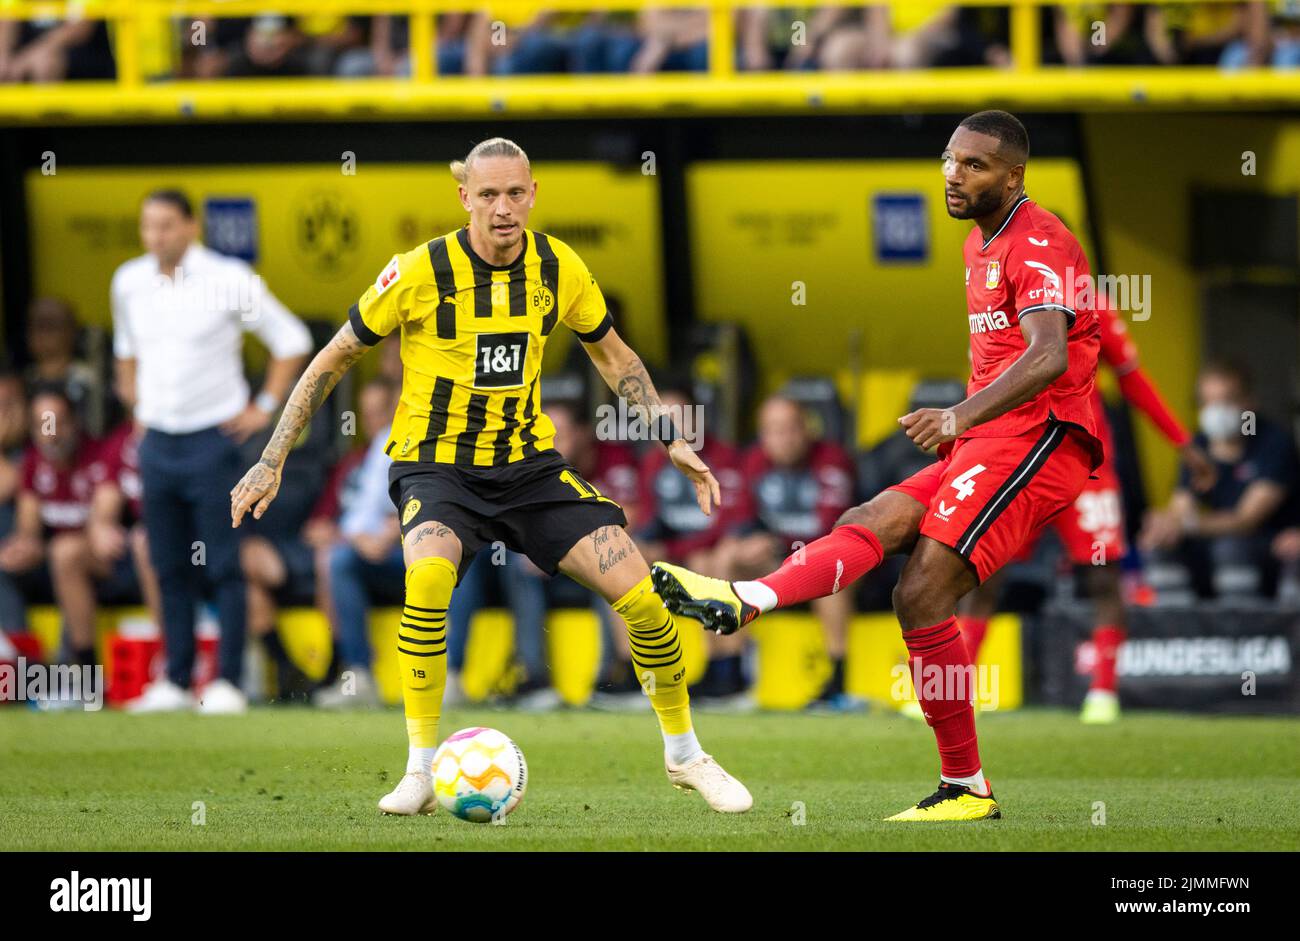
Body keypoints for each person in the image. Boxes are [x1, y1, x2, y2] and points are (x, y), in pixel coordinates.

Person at [231, 137, 751, 816]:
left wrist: (670, 437)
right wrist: (271, 456)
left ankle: (685, 755)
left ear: (532, 193)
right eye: (488, 195)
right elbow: (333, 358)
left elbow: (613, 354)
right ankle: (420, 768)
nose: (503, 209)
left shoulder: (559, 267)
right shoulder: (419, 271)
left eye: (515, 194)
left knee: (643, 596)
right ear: (464, 198)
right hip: (437, 466)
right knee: (427, 577)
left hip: (527, 468)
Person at [655, 110, 1104, 821]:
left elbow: (1048, 354)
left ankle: (965, 787)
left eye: (976, 165)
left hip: (1039, 440)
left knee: (922, 592)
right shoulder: (975, 245)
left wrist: (958, 413)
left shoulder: (1039, 238)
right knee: (869, 518)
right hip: (990, 440)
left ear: (1014, 175)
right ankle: (748, 599)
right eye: (950, 160)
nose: (955, 174)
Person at [953, 301, 1215, 724]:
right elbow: (982, 383)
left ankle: (1103, 692)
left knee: (1102, 576)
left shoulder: (1093, 306)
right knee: (984, 570)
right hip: (1018, 461)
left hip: (1085, 462)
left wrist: (1182, 443)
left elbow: (1133, 382)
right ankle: (957, 690)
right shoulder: (996, 299)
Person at [112, 189, 312, 715]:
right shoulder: (128, 281)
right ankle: (176, 680)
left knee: (223, 564)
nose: (156, 237)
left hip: (212, 441)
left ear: (191, 226)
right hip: (156, 441)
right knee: (166, 563)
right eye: (148, 226)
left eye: (166, 226)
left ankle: (226, 681)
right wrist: (138, 406)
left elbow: (290, 339)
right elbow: (126, 352)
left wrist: (263, 406)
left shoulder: (228, 279)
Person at [716, 395, 858, 709]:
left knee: (830, 566)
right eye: (775, 430)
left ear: (807, 430)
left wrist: (775, 542)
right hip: (782, 558)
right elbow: (739, 517)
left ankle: (837, 678)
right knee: (727, 555)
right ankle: (730, 672)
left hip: (833, 558)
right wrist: (751, 539)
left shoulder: (832, 460)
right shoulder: (753, 461)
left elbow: (832, 529)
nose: (785, 438)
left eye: (792, 428)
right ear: (763, 435)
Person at [1139, 361, 1300, 598]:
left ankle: (1240, 628)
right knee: (1161, 544)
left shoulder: (1273, 443)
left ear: (1249, 402)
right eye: (1208, 402)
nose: (1217, 410)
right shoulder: (1198, 446)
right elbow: (1181, 508)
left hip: (1269, 547)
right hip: (1213, 545)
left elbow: (1246, 520)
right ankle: (1175, 627)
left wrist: (1186, 524)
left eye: (1227, 400)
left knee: (1231, 546)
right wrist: (1164, 524)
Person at [311, 376, 406, 709]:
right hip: (389, 558)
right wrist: (360, 538)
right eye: (365, 413)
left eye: (381, 411)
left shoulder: (432, 443)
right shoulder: (372, 452)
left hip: (433, 552)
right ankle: (357, 673)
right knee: (337, 560)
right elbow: (353, 520)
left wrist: (395, 530)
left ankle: (453, 676)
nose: (372, 421)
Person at [0, 387, 108, 668]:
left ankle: (81, 672)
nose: (51, 434)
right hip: (55, 564)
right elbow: (28, 529)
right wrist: (25, 547)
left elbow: (102, 528)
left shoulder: (100, 457)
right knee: (8, 561)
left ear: (75, 422)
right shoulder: (33, 464)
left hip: (107, 565)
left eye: (58, 422)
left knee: (67, 555)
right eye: (42, 425)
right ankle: (20, 659)